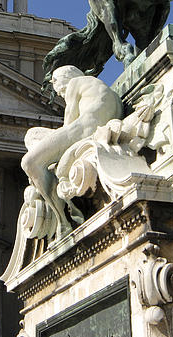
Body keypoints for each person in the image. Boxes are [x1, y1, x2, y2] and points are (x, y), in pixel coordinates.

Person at [21, 66, 123, 238]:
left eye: (58, 87)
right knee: (36, 143)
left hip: (80, 130)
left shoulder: (75, 83)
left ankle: (62, 221)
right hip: (91, 129)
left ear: (63, 78)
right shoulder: (106, 92)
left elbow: (69, 121)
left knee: (29, 159)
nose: (59, 93)